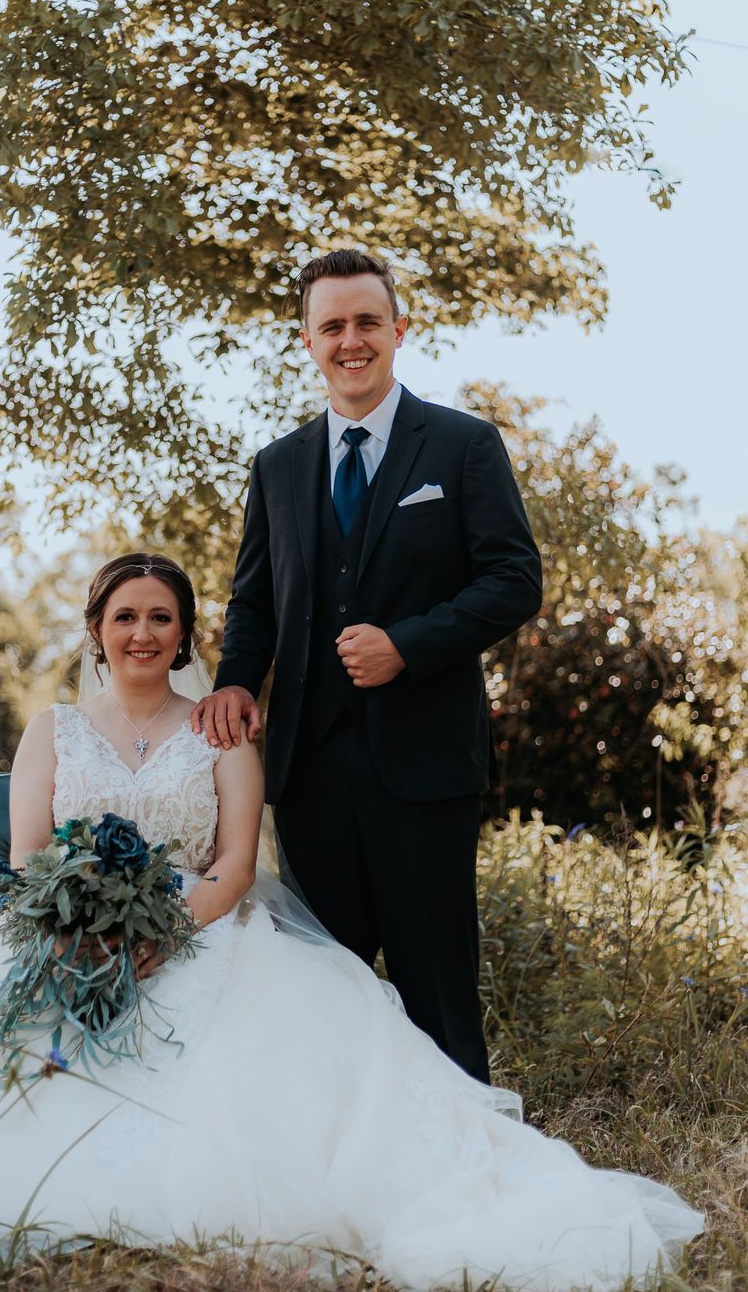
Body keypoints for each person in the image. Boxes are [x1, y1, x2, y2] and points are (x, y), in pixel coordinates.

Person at [0, 551, 701, 1292]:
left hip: (201, 932)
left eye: (161, 618)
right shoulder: (53, 728)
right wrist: (79, 926)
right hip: (55, 931)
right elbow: (29, 856)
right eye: (124, 616)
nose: (142, 632)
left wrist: (153, 936)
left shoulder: (223, 733)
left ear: (184, 638)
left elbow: (236, 867)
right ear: (96, 631)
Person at [194, 248, 543, 1085]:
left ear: (398, 329)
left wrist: (408, 644)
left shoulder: (462, 445)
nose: (351, 340)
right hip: (308, 773)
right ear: (308, 340)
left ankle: (467, 1171)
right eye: (332, 326)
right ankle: (337, 1181)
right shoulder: (277, 467)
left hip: (424, 768)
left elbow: (514, 579)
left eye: (366, 322)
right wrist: (237, 680)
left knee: (438, 993)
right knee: (323, 997)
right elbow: (254, 602)